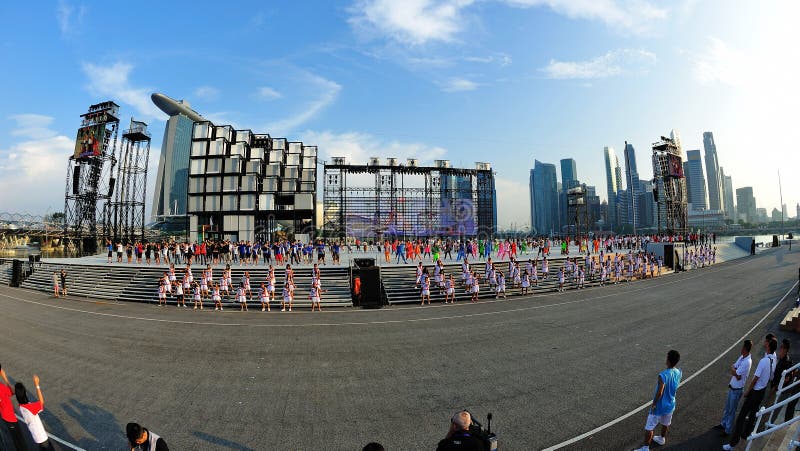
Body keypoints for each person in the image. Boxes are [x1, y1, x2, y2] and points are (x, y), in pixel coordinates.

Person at [723, 337, 778, 450]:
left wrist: (748, 391)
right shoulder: (773, 359)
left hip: (755, 392)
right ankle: (745, 437)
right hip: (761, 392)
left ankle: (733, 444)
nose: (765, 343)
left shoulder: (764, 361)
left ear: (768, 346)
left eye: (766, 342)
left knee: (741, 417)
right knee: (752, 416)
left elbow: (755, 378)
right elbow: (771, 377)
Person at [634, 350, 681, 451]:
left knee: (649, 427)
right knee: (666, 423)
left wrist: (654, 404)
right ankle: (661, 438)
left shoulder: (663, 375)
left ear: (668, 360)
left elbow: (660, 392)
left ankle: (645, 447)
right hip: (671, 404)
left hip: (660, 406)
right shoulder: (678, 372)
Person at [714, 340, 752, 435]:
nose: (741, 348)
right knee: (727, 408)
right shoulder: (742, 357)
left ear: (745, 349)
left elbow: (738, 375)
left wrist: (734, 370)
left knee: (732, 411)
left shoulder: (747, 362)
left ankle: (727, 430)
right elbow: (733, 367)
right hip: (732, 388)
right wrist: (734, 370)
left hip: (737, 390)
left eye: (742, 347)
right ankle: (723, 424)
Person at [15, 374, 54, 450]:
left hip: (36, 437)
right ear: (25, 393)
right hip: (42, 437)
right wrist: (37, 385)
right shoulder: (30, 407)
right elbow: (41, 402)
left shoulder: (21, 407)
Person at [1, 364, 26, 450]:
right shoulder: (1, 387)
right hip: (10, 417)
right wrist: (5, 378)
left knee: (16, 439)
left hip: (4, 415)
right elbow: (12, 392)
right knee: (19, 440)